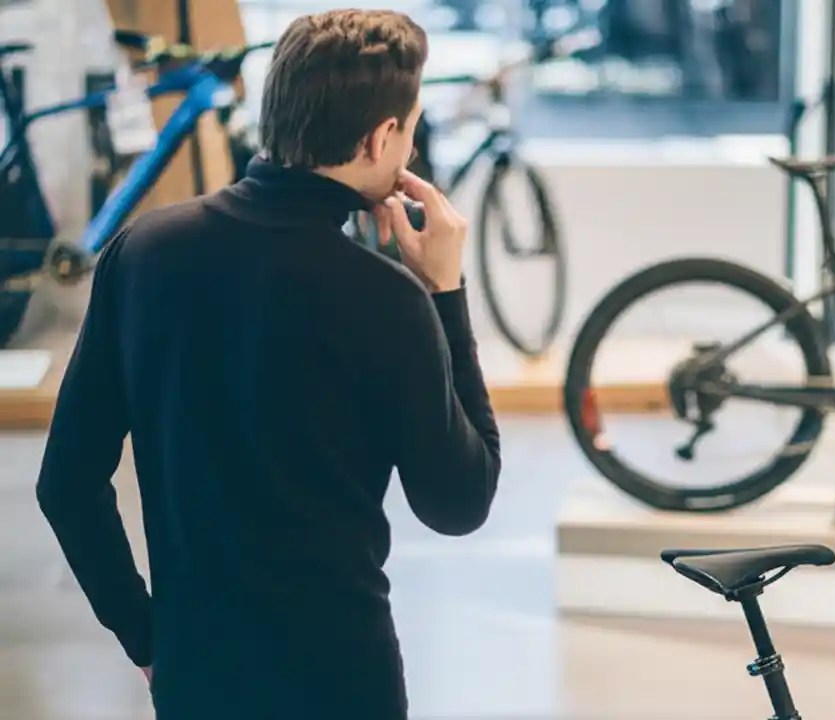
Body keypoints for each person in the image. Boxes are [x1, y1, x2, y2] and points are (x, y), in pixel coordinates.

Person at [34, 9, 500, 720]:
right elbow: (458, 503)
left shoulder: (144, 254)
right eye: (406, 130)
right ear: (381, 137)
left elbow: (66, 483)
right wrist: (445, 292)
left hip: (197, 676)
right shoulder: (384, 299)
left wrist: (146, 635)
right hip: (341, 677)